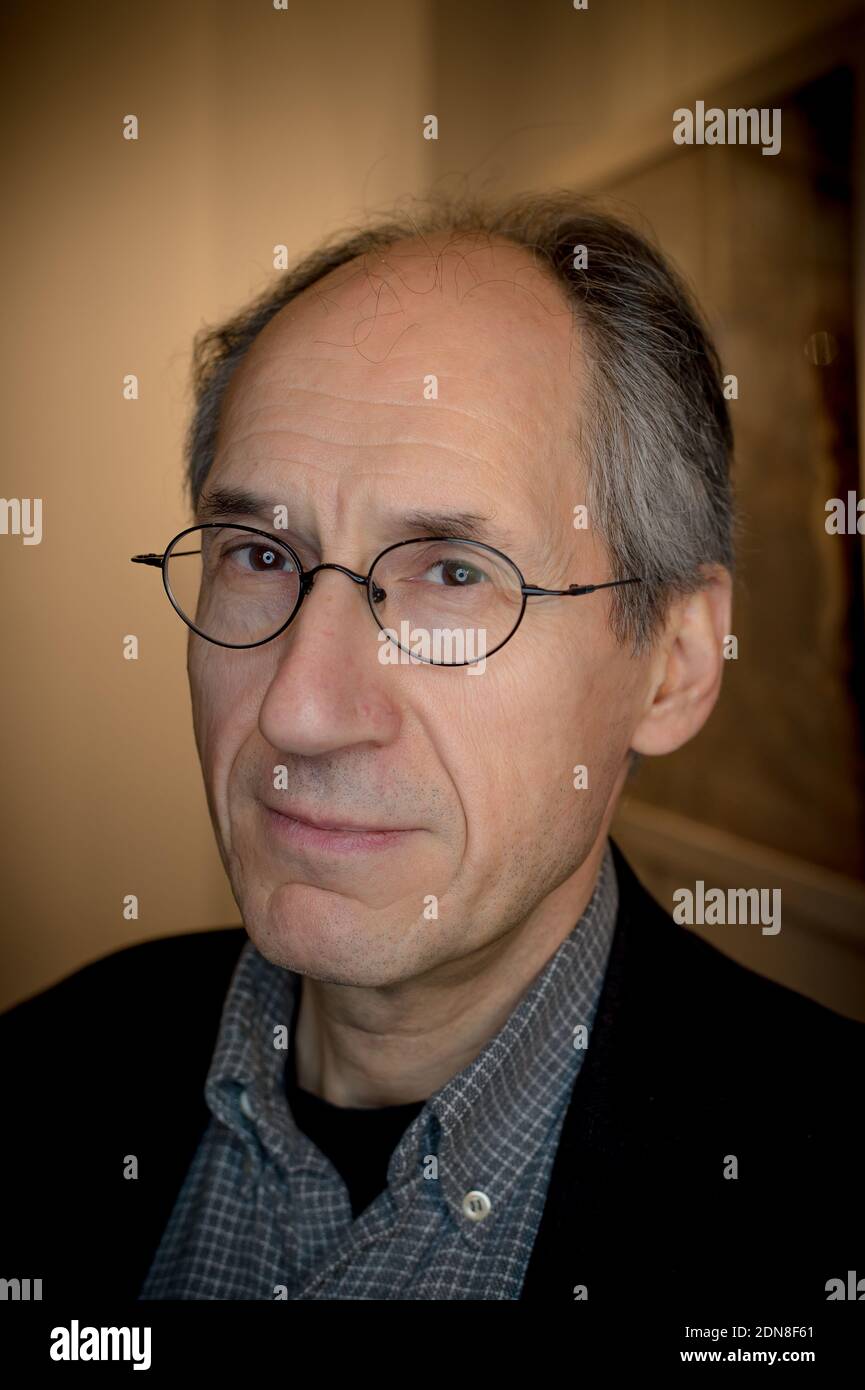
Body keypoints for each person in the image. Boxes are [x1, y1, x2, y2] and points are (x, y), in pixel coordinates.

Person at [2, 195, 861, 1307]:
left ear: (675, 663)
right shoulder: (40, 1071)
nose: (300, 710)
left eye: (453, 575)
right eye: (259, 554)